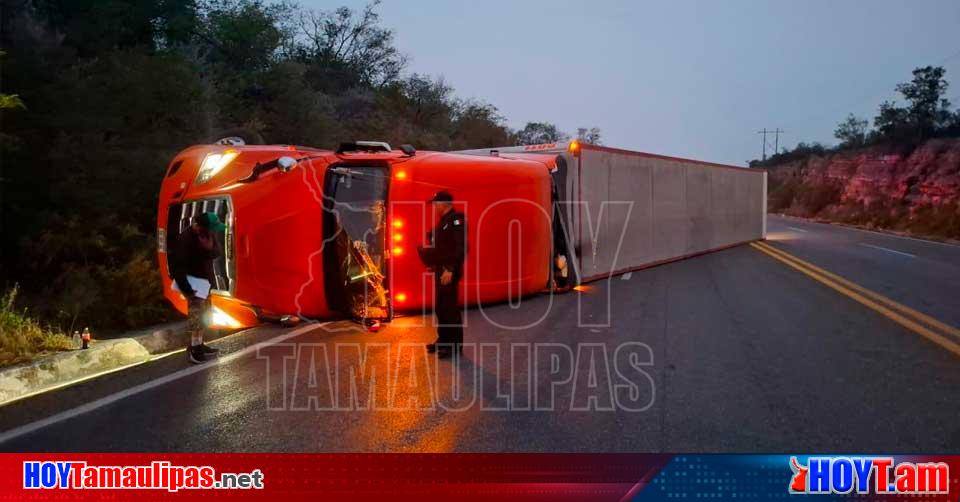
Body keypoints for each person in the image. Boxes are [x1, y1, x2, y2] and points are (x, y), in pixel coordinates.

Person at [417, 191, 466, 358]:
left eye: (436, 204)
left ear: (445, 204)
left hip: (448, 271)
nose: (434, 207)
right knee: (440, 308)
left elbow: (460, 247)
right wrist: (433, 262)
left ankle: (454, 345)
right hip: (441, 269)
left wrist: (450, 269)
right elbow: (441, 248)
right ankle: (444, 340)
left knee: (449, 309)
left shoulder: (456, 220)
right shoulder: (443, 222)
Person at [170, 212, 224, 364]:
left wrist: (208, 247)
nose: (213, 231)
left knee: (204, 316)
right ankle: (194, 350)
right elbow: (178, 267)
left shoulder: (207, 234)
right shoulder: (185, 239)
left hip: (205, 283)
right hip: (193, 285)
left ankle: (199, 344)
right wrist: (187, 290)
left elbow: (216, 253)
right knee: (196, 318)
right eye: (211, 229)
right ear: (200, 226)